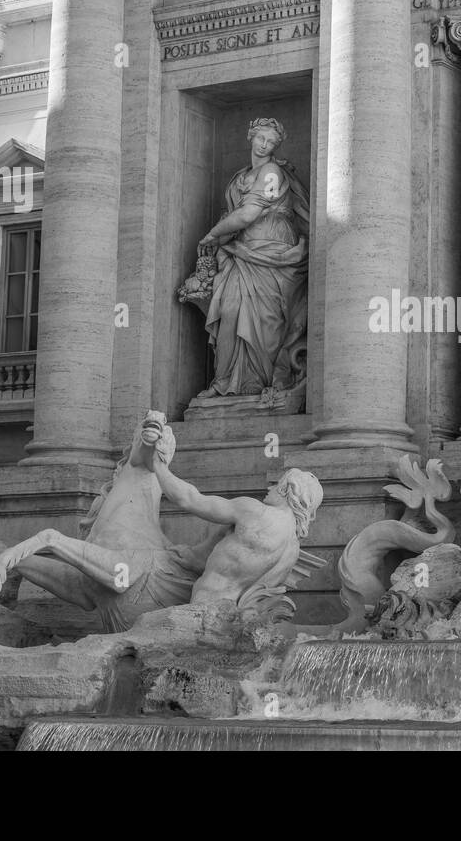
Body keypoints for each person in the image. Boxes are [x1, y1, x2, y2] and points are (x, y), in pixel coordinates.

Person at [198, 117, 310, 397]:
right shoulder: (240, 176)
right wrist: (223, 237)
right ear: (251, 136)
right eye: (261, 138)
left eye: (272, 142)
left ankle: (257, 383)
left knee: (265, 318)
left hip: (271, 248)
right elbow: (237, 216)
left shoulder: (272, 171)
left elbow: (248, 214)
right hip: (243, 250)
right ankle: (226, 381)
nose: (265, 145)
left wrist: (212, 235)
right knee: (230, 309)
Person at [153, 462, 324, 607]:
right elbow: (238, 571)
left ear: (289, 489)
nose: (270, 488)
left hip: (203, 610)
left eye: (278, 484)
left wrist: (157, 465)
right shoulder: (292, 550)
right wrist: (195, 560)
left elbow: (189, 499)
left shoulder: (256, 512)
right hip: (235, 620)